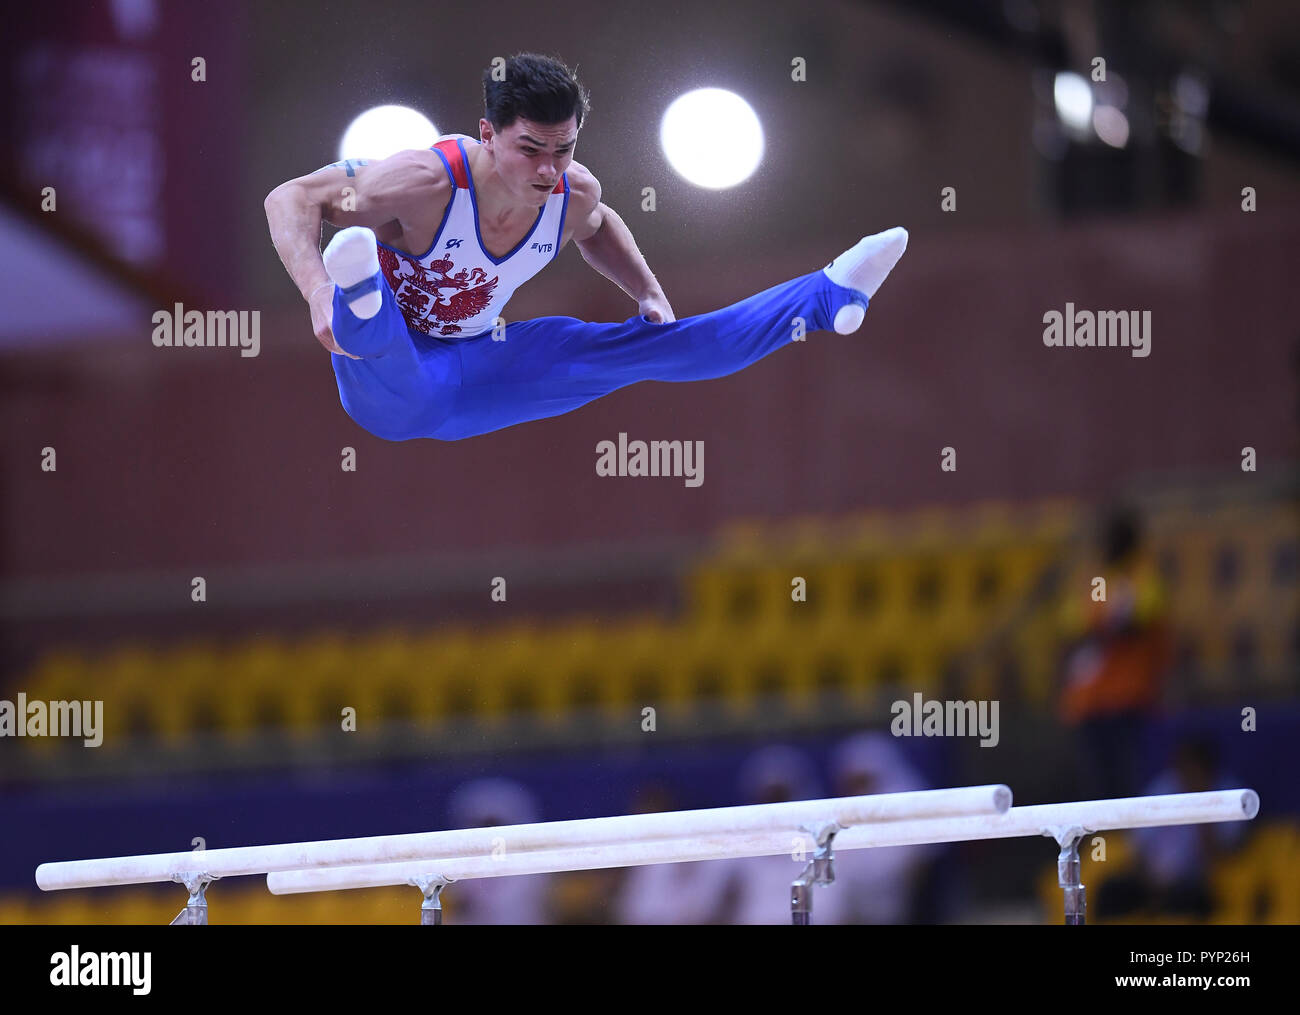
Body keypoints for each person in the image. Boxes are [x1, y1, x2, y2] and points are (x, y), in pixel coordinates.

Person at [264, 52, 908, 442]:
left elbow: (598, 227)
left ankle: (826, 296)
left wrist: (648, 293)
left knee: (654, 347)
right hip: (392, 380)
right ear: (489, 134)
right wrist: (318, 293)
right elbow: (288, 198)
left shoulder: (573, 193)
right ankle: (357, 295)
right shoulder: (424, 182)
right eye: (531, 149)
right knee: (404, 377)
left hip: (485, 363)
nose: (549, 169)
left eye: (563, 149)